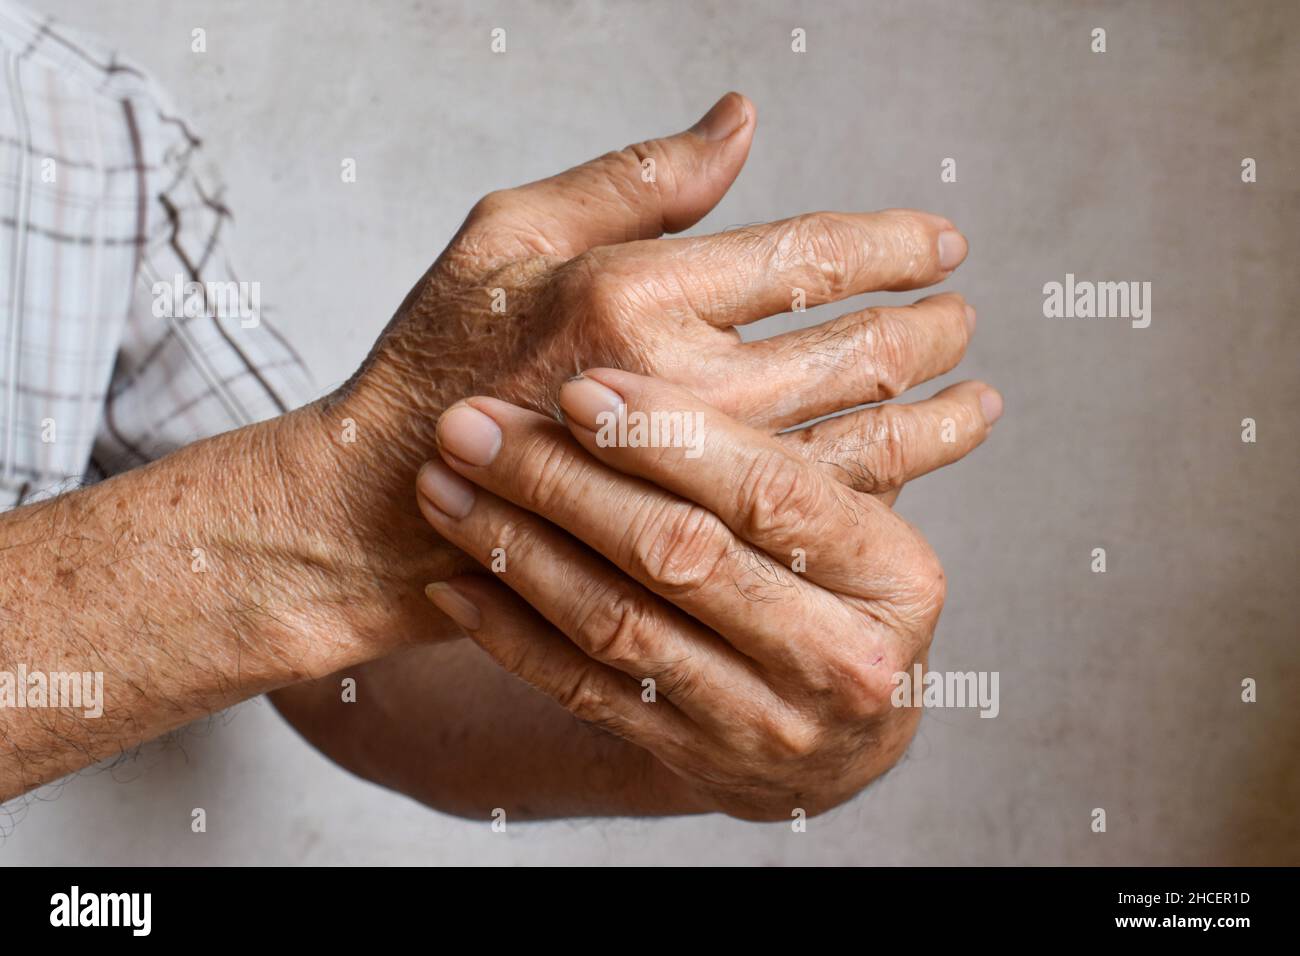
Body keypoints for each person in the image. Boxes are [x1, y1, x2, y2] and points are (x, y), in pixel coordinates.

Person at [0, 1, 1000, 819]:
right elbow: (320, 542)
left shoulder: (97, 136)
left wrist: (765, 697)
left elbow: (350, 659)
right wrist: (337, 510)